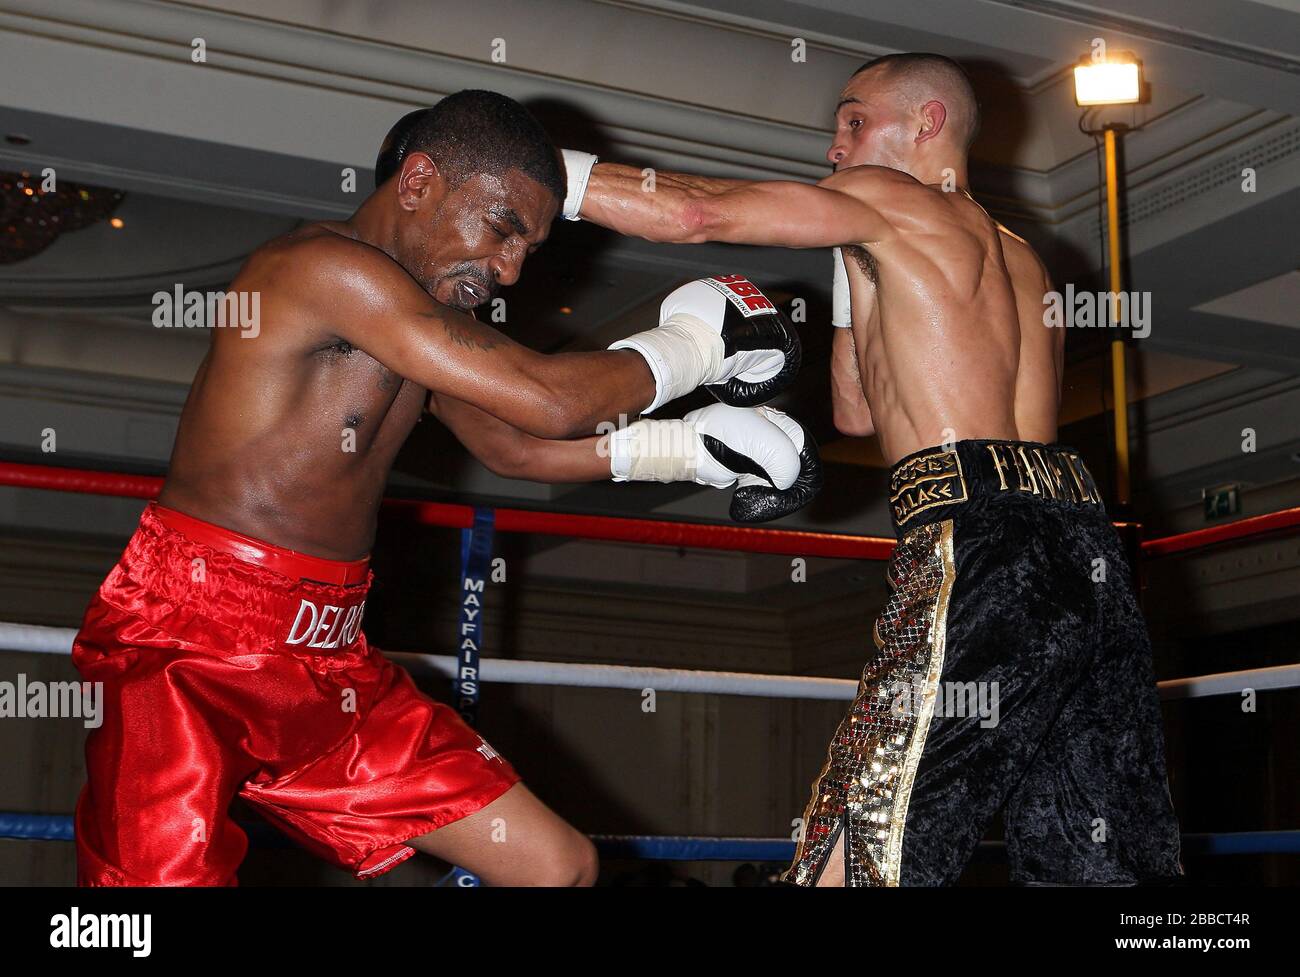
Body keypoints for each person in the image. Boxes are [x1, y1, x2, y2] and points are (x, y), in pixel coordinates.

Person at [71, 89, 817, 886]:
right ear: (420, 181)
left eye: (527, 248)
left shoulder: (416, 315)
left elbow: (515, 445)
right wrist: (699, 344)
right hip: (198, 636)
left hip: (331, 654)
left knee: (556, 865)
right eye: (503, 230)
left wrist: (688, 450)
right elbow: (549, 396)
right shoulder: (318, 269)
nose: (508, 269)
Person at [561, 54, 1182, 886]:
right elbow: (856, 411)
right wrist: (849, 262)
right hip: (1083, 549)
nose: (833, 148)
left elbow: (697, 211)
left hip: (980, 540)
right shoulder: (1028, 259)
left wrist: (539, 173)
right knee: (1095, 853)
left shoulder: (895, 202)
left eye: (854, 121)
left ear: (928, 124)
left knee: (869, 834)